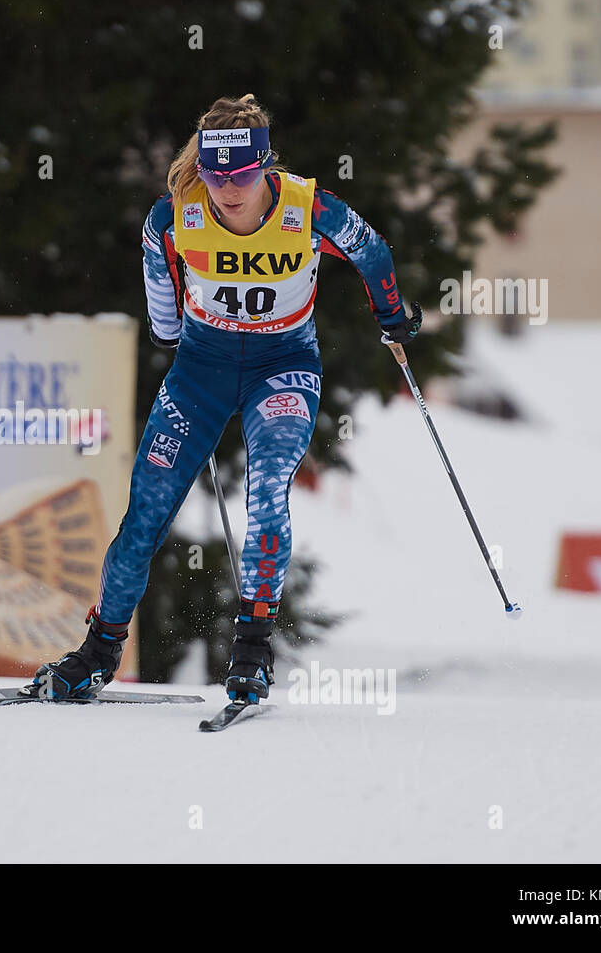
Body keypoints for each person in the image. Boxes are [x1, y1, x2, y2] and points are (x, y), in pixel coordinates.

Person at [31, 93, 421, 704]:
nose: (226, 189)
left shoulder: (309, 208)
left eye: (240, 174)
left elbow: (372, 251)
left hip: (282, 369)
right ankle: (99, 651)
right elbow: (161, 311)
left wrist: (394, 317)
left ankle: (252, 650)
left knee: (267, 494)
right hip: (201, 373)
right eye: (214, 174)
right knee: (145, 516)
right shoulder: (173, 217)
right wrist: (182, 327)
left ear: (266, 167)